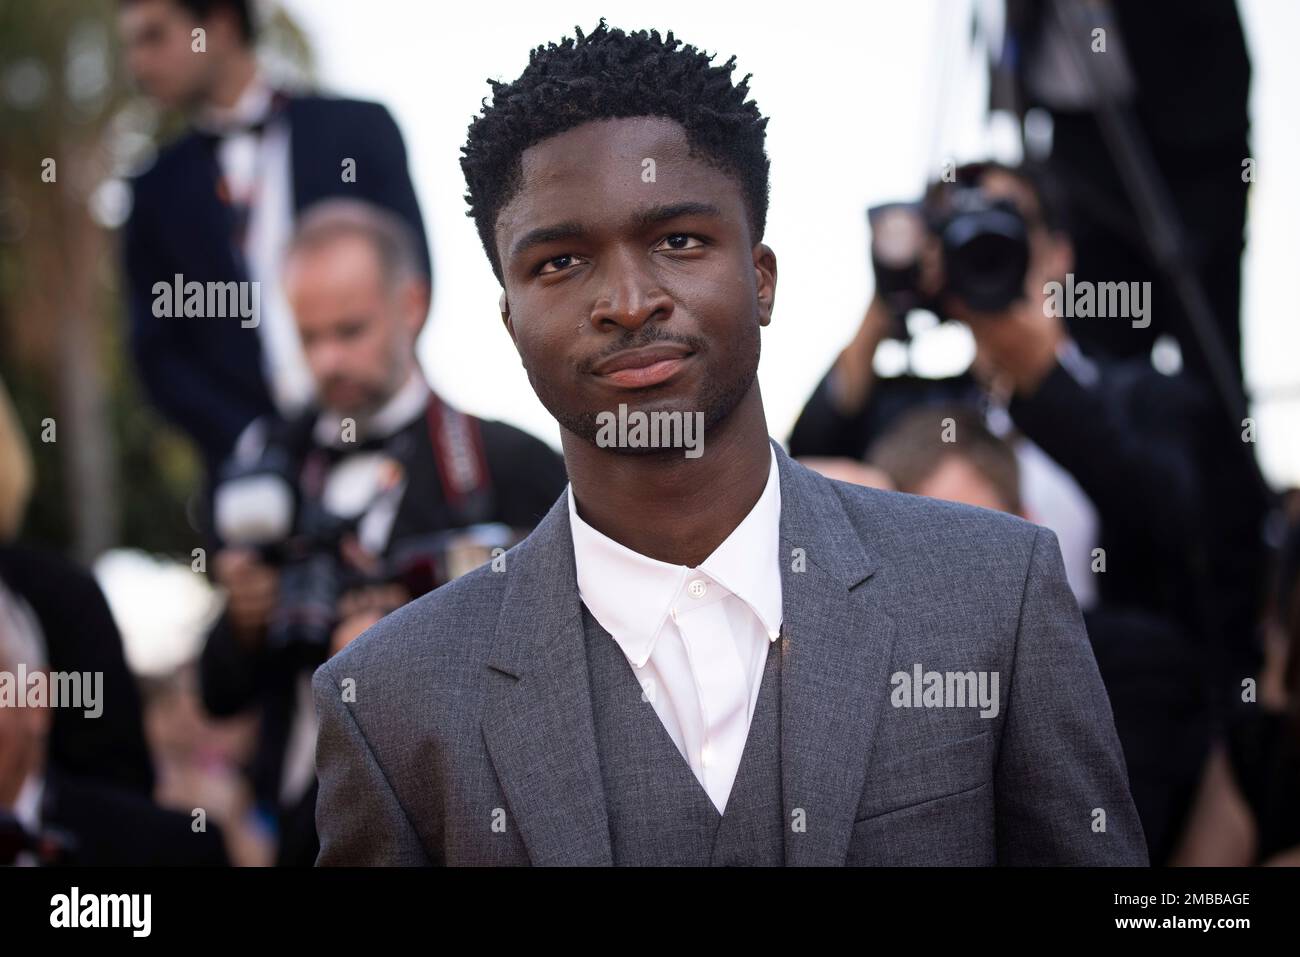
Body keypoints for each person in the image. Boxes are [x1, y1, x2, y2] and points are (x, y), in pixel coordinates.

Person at [312, 21, 1146, 866]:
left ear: (762, 279)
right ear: (509, 320)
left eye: (678, 241)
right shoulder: (392, 702)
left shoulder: (992, 594)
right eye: (562, 262)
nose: (630, 302)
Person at [200, 199, 565, 865]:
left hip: (469, 826)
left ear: (412, 305)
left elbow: (570, 667)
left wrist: (411, 645)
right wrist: (245, 617)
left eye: (350, 330)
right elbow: (218, 690)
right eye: (310, 338)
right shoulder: (263, 467)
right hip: (301, 829)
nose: (330, 360)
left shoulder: (507, 464)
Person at [855, 405, 1210, 865]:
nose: (941, 586)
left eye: (962, 546)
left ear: (1024, 526)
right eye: (914, 560)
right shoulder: (850, 677)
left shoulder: (1135, 663)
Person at [118, 0, 431, 478]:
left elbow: (412, 275)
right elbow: (157, 352)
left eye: (154, 36)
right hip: (247, 483)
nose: (137, 64)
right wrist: (252, 443)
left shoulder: (360, 130)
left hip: (398, 451)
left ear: (219, 24)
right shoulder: (154, 189)